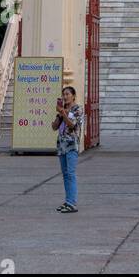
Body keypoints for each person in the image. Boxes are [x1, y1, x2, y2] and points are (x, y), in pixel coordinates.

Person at [52, 85, 83, 213]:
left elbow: (72, 125)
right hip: (62, 145)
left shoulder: (77, 109)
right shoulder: (63, 109)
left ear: (73, 96)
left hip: (72, 144)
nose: (65, 97)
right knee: (65, 174)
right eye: (64, 94)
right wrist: (59, 113)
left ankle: (72, 203)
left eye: (68, 94)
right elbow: (54, 127)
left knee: (71, 174)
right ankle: (68, 200)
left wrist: (64, 113)